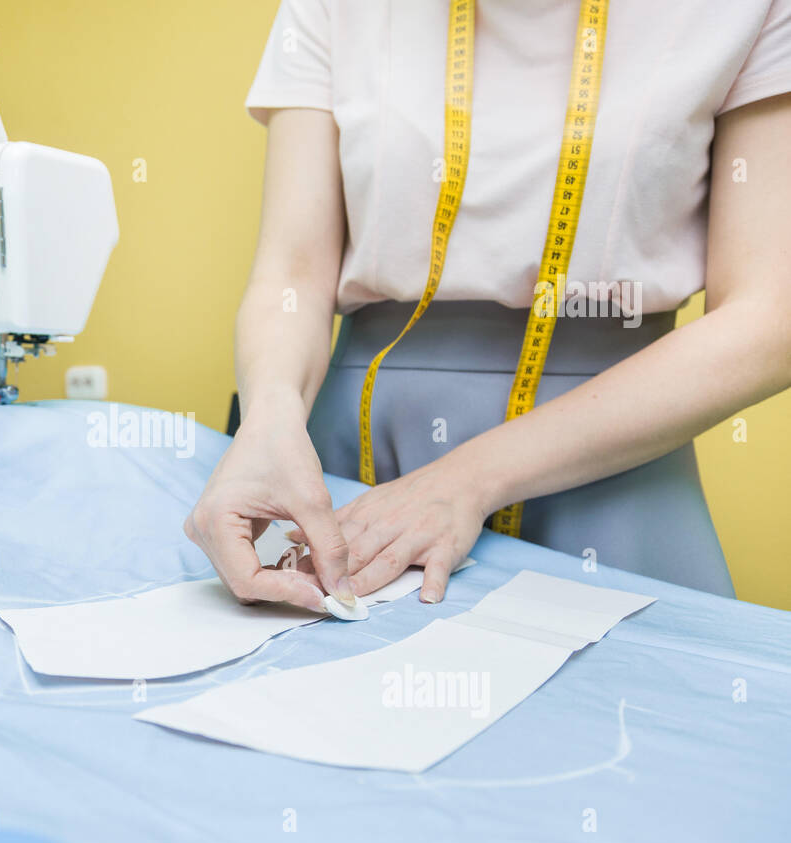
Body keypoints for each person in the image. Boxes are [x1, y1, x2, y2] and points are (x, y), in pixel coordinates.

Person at [186, 0, 791, 612]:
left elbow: (769, 318)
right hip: (357, 448)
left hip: (611, 458)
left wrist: (466, 480)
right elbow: (293, 272)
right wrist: (268, 421)